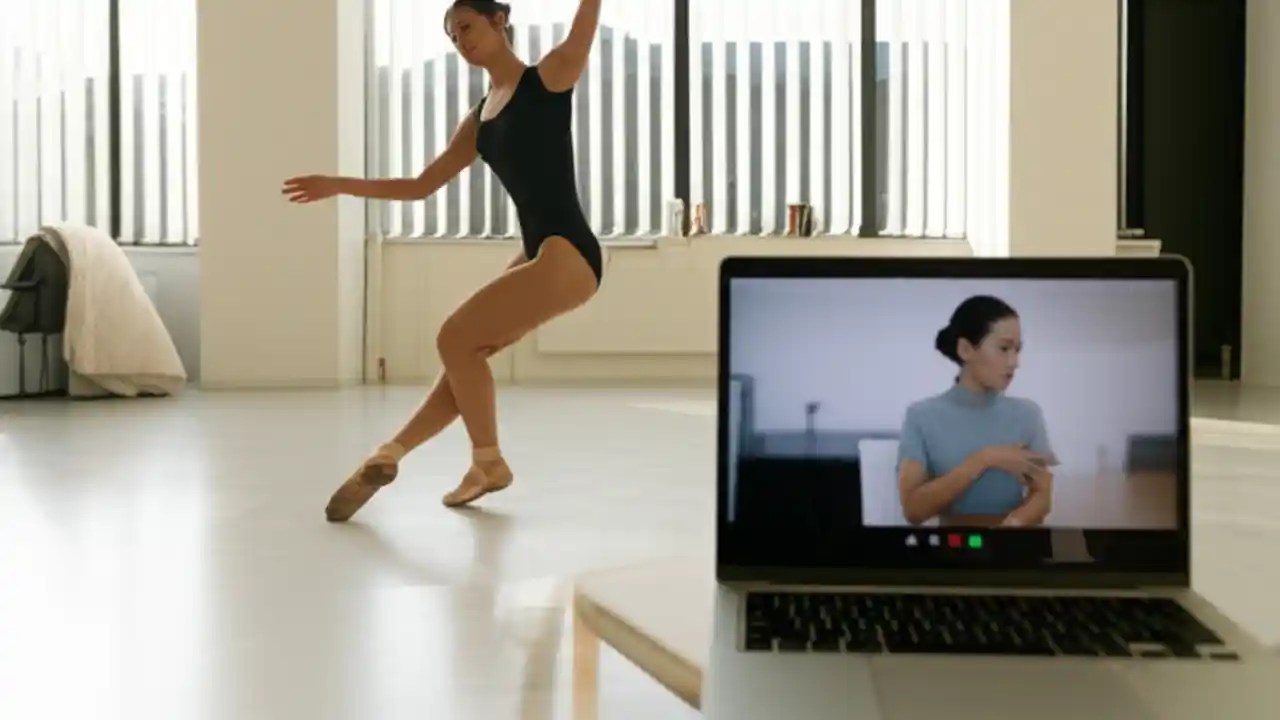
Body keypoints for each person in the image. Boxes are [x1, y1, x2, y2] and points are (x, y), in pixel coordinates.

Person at [281, 0, 605, 520]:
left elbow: (583, 28)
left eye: (468, 27)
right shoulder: (480, 118)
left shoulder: (548, 78)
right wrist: (337, 184)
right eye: (453, 36)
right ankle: (391, 452)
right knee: (462, 360)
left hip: (567, 250)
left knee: (455, 338)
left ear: (499, 21)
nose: (461, 41)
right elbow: (419, 186)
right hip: (540, 249)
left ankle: (489, 461)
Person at [896, 295, 1057, 528]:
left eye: (1017, 350)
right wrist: (984, 459)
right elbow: (913, 511)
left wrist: (1012, 527)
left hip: (1014, 550)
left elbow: (1042, 496)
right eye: (1004, 348)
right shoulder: (921, 416)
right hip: (951, 552)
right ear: (965, 349)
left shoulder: (1028, 415)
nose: (1014, 362)